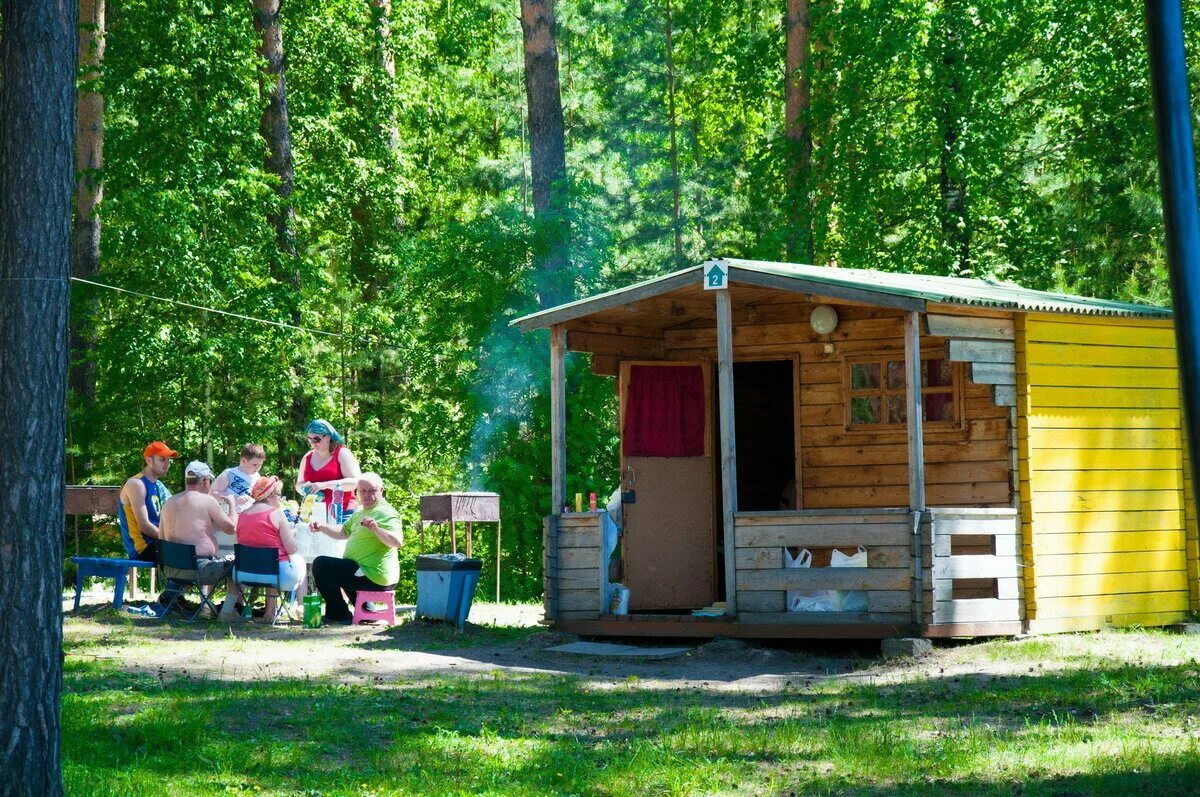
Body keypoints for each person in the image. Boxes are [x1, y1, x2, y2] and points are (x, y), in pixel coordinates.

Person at [308, 472, 403, 623]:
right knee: (342, 568)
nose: (367, 495)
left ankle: (338, 614)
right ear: (357, 492)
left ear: (381, 490)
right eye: (362, 491)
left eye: (371, 490)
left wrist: (376, 529)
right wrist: (322, 527)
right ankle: (367, 611)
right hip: (362, 570)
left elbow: (397, 542)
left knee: (322, 565)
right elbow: (343, 531)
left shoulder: (386, 512)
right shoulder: (360, 510)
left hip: (374, 575)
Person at [221, 475, 305, 622]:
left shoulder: (242, 515)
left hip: (243, 575)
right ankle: (302, 609)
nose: (280, 499)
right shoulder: (276, 514)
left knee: (270, 561)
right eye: (278, 494)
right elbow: (291, 549)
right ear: (270, 495)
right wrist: (289, 536)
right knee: (298, 560)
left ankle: (227, 611)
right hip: (277, 576)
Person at [159, 461, 239, 612]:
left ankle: (174, 595)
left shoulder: (169, 502)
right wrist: (232, 504)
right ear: (204, 480)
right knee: (240, 564)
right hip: (200, 570)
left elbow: (162, 537)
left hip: (171, 570)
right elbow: (231, 528)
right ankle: (227, 611)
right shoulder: (207, 501)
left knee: (195, 561)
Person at [119, 441, 178, 562]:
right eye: (162, 460)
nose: (167, 464)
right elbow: (144, 525)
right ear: (148, 460)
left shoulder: (158, 486)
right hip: (143, 548)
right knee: (187, 556)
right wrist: (170, 540)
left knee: (197, 550)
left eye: (168, 460)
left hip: (158, 543)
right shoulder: (136, 484)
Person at [296, 419, 361, 520]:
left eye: (316, 439)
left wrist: (324, 485)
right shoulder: (307, 457)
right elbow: (299, 484)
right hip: (314, 513)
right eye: (309, 439)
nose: (313, 443)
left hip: (342, 512)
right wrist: (306, 489)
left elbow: (355, 482)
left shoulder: (342, 453)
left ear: (328, 437)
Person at [211, 443, 266, 511]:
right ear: (244, 461)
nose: (258, 468)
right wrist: (234, 499)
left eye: (260, 465)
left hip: (246, 517)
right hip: (227, 515)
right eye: (255, 465)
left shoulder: (257, 477)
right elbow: (212, 493)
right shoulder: (229, 473)